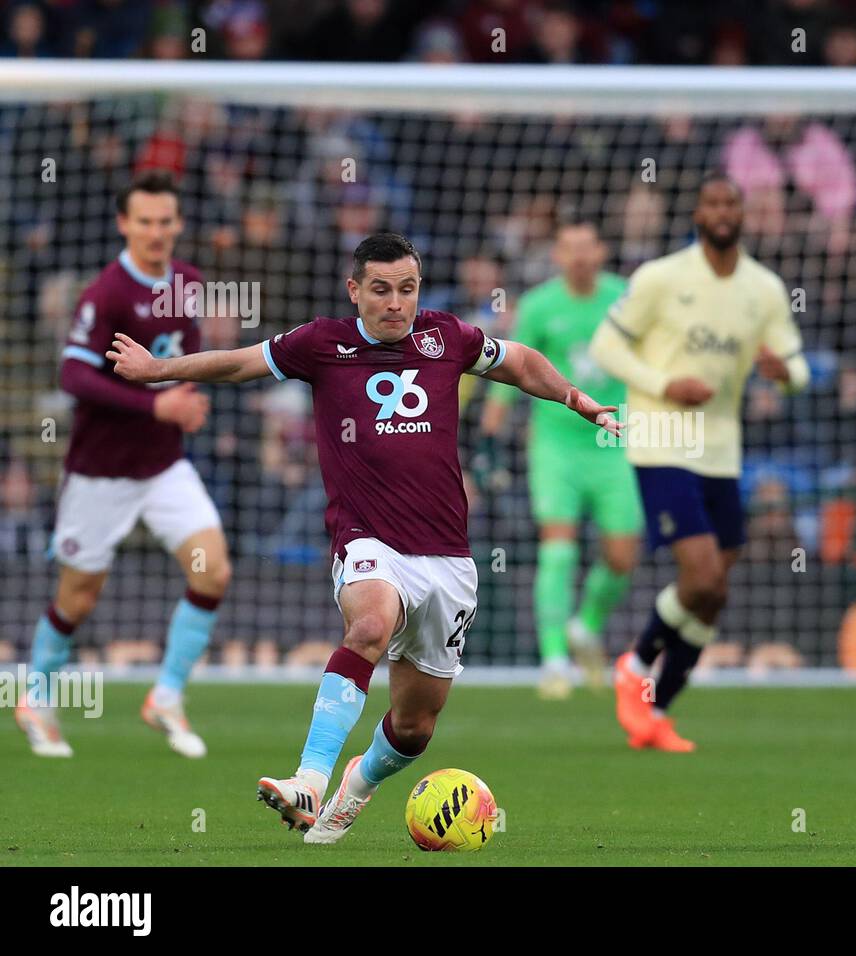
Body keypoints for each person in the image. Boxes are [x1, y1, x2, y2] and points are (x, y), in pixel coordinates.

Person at [108, 231, 619, 843]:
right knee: (370, 626)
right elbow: (241, 362)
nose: (396, 303)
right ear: (355, 290)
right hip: (368, 539)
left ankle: (358, 783)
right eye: (381, 290)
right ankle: (310, 779)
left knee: (413, 728)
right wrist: (159, 370)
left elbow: (518, 361)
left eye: (407, 289)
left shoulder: (447, 337)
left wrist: (572, 397)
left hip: (448, 557)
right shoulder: (324, 343)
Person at [589, 173, 810, 752]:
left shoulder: (763, 288)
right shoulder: (661, 277)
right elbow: (605, 347)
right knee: (704, 575)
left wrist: (786, 374)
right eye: (711, 201)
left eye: (731, 202)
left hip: (721, 452)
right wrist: (664, 382)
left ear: (743, 212)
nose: (722, 211)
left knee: (713, 593)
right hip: (661, 439)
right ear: (696, 212)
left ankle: (655, 712)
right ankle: (635, 665)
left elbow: (796, 363)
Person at [17, 171, 227, 760]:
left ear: (178, 223)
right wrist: (157, 402)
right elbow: (73, 375)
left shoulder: (188, 282)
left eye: (166, 221)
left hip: (163, 466)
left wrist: (189, 395)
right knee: (79, 597)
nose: (156, 231)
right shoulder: (106, 293)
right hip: (101, 473)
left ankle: (166, 695)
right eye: (145, 221)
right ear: (123, 224)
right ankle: (35, 695)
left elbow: (183, 358)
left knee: (212, 572)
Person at [477, 221, 641, 698]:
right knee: (558, 543)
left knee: (622, 555)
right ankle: (553, 661)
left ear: (601, 251)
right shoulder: (539, 306)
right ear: (557, 255)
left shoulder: (626, 299)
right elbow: (512, 368)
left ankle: (585, 626)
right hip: (556, 445)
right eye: (568, 248)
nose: (578, 256)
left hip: (615, 441)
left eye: (587, 247)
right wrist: (488, 440)